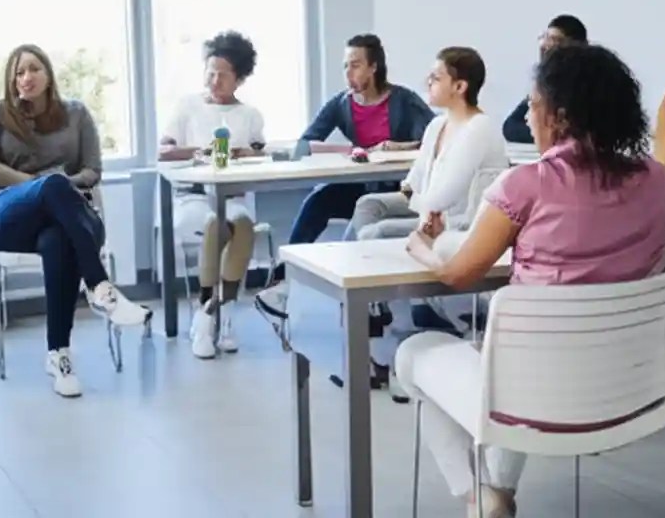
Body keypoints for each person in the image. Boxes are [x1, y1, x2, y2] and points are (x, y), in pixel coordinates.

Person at [395, 44, 665, 518]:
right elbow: (654, 176)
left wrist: (421, 247)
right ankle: (496, 491)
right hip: (630, 395)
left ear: (556, 116)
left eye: (533, 106)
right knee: (526, 354)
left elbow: (457, 274)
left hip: (532, 396)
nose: (529, 117)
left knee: (412, 353)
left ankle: (479, 496)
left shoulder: (526, 185)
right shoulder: (658, 186)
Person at [0, 44, 151, 399]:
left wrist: (61, 189)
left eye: (34, 69)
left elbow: (92, 170)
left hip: (68, 218)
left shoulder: (76, 114)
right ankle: (101, 288)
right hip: (8, 214)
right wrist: (39, 185)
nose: (27, 78)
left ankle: (59, 354)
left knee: (57, 241)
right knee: (52, 186)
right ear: (11, 80)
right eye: (19, 72)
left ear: (49, 74)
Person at [341, 47, 509, 391]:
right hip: (431, 216)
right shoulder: (437, 125)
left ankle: (399, 330)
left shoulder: (479, 128)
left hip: (460, 226)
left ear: (460, 86)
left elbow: (440, 198)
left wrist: (421, 202)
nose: (427, 83)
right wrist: (416, 200)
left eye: (436, 78)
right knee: (370, 206)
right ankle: (380, 310)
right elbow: (414, 184)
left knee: (377, 234)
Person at [254, 33, 434, 323]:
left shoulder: (403, 101)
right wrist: (348, 149)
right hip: (362, 187)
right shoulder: (341, 104)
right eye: (345, 66)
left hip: (398, 191)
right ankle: (284, 283)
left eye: (356, 65)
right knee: (319, 199)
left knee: (366, 210)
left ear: (374, 67)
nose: (349, 73)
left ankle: (374, 298)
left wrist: (396, 146)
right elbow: (307, 142)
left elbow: (433, 138)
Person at [158, 31, 266, 360]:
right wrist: (199, 151)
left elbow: (261, 155)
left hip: (231, 197)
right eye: (211, 72)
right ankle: (206, 315)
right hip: (191, 197)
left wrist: (245, 154)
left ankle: (225, 311)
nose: (214, 80)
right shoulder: (187, 106)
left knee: (242, 224)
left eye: (223, 74)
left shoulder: (249, 116)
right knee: (213, 223)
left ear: (240, 79)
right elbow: (164, 151)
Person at [502, 14, 587, 143]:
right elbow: (511, 126)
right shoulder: (545, 81)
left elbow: (579, 133)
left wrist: (544, 132)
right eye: (545, 38)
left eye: (554, 40)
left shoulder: (587, 84)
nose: (545, 45)